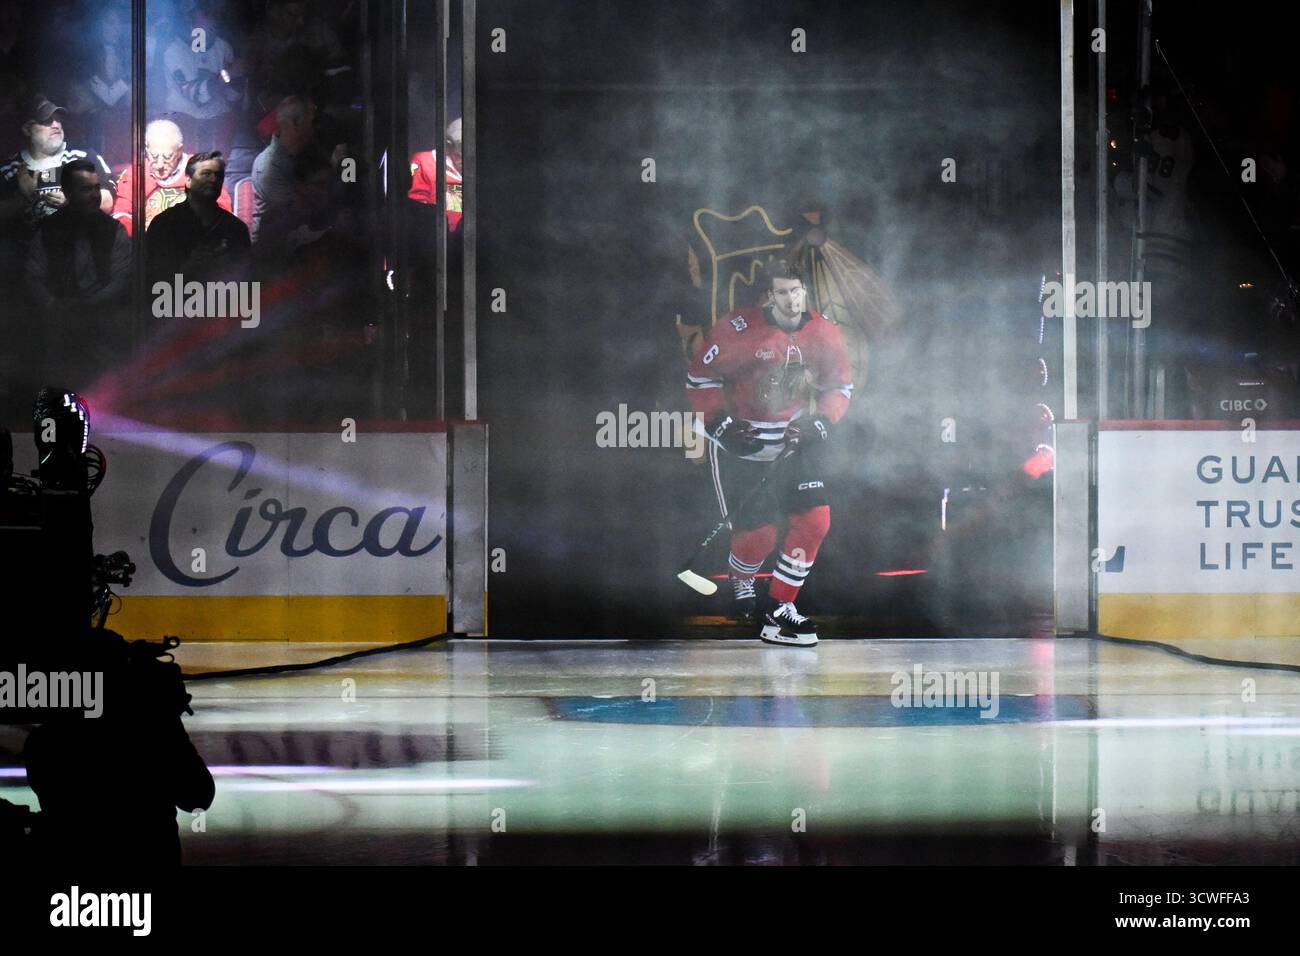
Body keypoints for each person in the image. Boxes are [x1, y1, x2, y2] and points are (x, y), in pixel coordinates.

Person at [685, 261, 854, 646]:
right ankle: (742, 577)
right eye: (782, 293)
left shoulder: (824, 332)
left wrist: (822, 420)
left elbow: (839, 386)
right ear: (769, 296)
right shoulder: (737, 329)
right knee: (758, 538)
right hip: (742, 444)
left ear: (805, 292)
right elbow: (700, 378)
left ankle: (779, 610)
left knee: (815, 520)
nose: (791, 300)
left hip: (791, 442)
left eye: (796, 291)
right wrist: (719, 425)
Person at [22, 159, 130, 390]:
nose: (94, 195)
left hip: (102, 322)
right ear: (68, 192)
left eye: (96, 188)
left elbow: (122, 278)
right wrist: (54, 306)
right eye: (85, 189)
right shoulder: (49, 229)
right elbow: (33, 276)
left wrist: (88, 305)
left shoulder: (114, 230)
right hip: (58, 324)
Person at [0, 95, 115, 241]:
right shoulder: (11, 169)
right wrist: (25, 198)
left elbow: (108, 202)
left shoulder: (82, 156)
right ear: (27, 129)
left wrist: (72, 201)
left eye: (58, 119)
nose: (56, 125)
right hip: (27, 255)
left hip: (78, 249)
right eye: (47, 121)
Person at [111, 118, 233, 235]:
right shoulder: (136, 173)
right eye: (153, 156)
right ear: (146, 148)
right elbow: (120, 214)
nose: (159, 165)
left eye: (167, 157)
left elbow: (222, 212)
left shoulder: (201, 169)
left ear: (179, 150)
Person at [146, 150, 250, 284]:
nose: (213, 179)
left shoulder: (235, 229)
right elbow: (151, 279)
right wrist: (188, 268)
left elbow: (245, 281)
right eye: (206, 174)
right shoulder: (163, 225)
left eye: (218, 176)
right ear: (188, 180)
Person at [250, 95, 317, 243]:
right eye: (312, 121)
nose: (316, 127)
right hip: (277, 251)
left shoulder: (311, 153)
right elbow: (303, 211)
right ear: (296, 123)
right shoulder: (268, 166)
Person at [407, 118, 463, 231]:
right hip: (439, 238)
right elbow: (416, 208)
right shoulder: (423, 162)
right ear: (448, 147)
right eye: (460, 155)